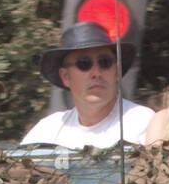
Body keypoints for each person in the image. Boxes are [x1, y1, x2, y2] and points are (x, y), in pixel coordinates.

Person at [21, 22, 153, 146]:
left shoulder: (143, 123)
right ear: (66, 77)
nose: (96, 72)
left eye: (105, 62)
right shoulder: (48, 130)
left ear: (116, 72)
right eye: (84, 64)